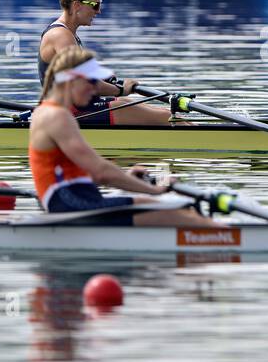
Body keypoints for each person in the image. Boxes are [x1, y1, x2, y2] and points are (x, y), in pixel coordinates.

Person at [30, 46, 221, 227]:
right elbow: (100, 171)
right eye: (91, 81)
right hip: (69, 204)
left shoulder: (49, 111)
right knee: (176, 211)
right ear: (72, 80)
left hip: (77, 196)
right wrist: (154, 190)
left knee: (179, 207)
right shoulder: (57, 116)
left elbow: (71, 174)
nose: (95, 89)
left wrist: (129, 178)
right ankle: (232, 242)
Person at [38, 0, 169, 125]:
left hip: (80, 109)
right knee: (165, 118)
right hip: (69, 115)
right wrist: (121, 89)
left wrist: (106, 80)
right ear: (76, 5)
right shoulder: (60, 35)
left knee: (164, 113)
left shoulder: (67, 34)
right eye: (95, 5)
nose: (98, 11)